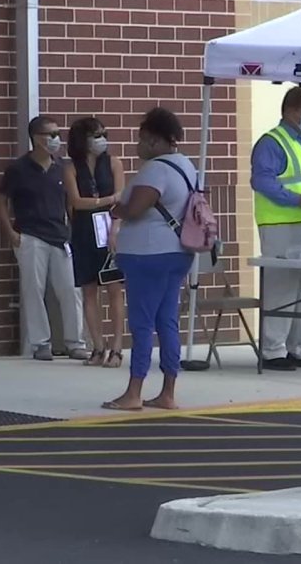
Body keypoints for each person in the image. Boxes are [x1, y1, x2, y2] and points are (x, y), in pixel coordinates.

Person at [103, 107, 196, 411]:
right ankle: (168, 391)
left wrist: (118, 209)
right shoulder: (186, 165)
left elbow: (137, 207)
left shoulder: (155, 169)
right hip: (177, 253)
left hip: (148, 255)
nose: (138, 146)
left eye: (142, 140)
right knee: (167, 321)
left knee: (142, 324)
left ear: (156, 141)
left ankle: (134, 391)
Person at [0, 116, 89, 362]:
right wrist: (10, 232)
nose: (57, 139)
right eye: (51, 134)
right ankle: (41, 343)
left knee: (71, 289)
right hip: (30, 236)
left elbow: (71, 202)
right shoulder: (18, 169)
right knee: (33, 290)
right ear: (36, 138)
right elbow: (1, 200)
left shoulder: (62, 168)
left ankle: (75, 342)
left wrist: (74, 232)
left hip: (61, 236)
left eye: (58, 133)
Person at [252, 87, 301, 371]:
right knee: (282, 286)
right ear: (290, 112)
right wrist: (297, 200)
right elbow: (263, 181)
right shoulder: (272, 143)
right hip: (280, 223)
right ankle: (273, 351)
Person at [65, 117, 127, 368]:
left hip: (109, 229)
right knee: (89, 290)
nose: (102, 139)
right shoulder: (70, 168)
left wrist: (115, 229)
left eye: (104, 134)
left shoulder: (113, 163)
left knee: (114, 289)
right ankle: (97, 346)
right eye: (96, 135)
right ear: (83, 140)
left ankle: (117, 347)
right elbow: (76, 202)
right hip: (83, 231)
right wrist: (108, 199)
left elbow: (121, 201)